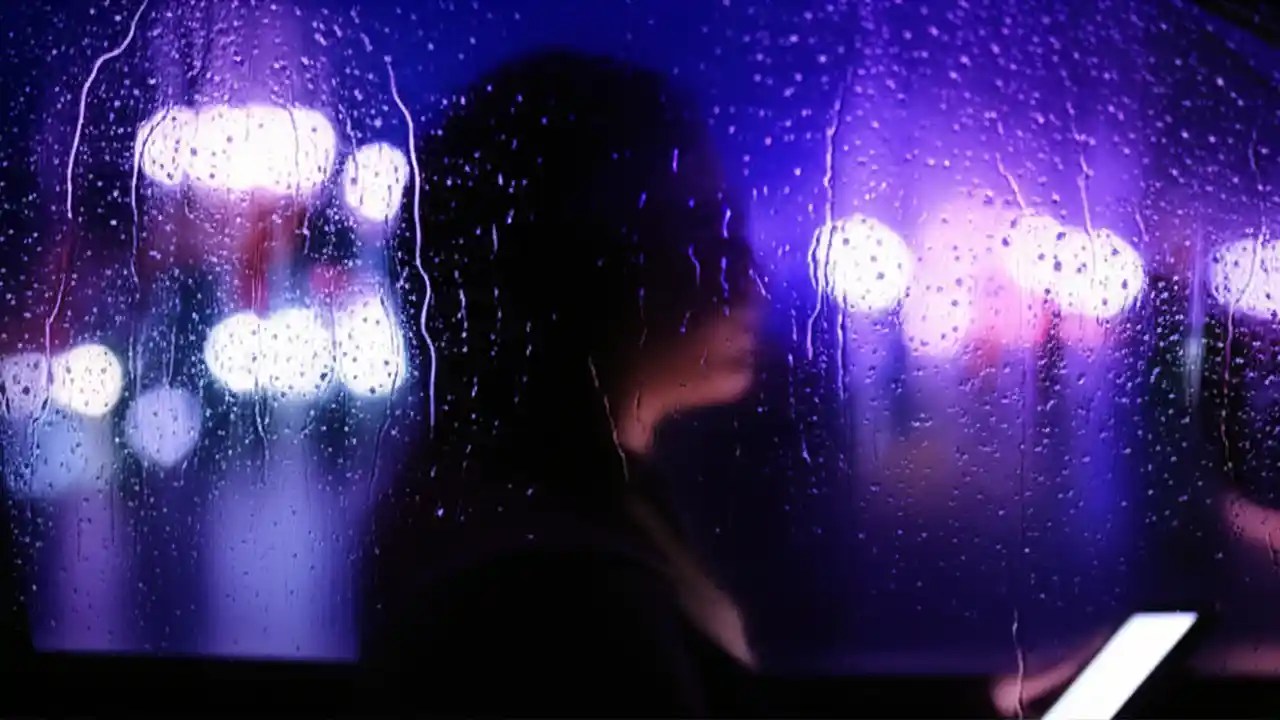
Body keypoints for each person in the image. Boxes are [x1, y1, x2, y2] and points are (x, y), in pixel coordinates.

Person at [360, 51, 764, 716]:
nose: (743, 264)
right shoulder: (558, 593)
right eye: (699, 223)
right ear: (578, 258)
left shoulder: (531, 512)